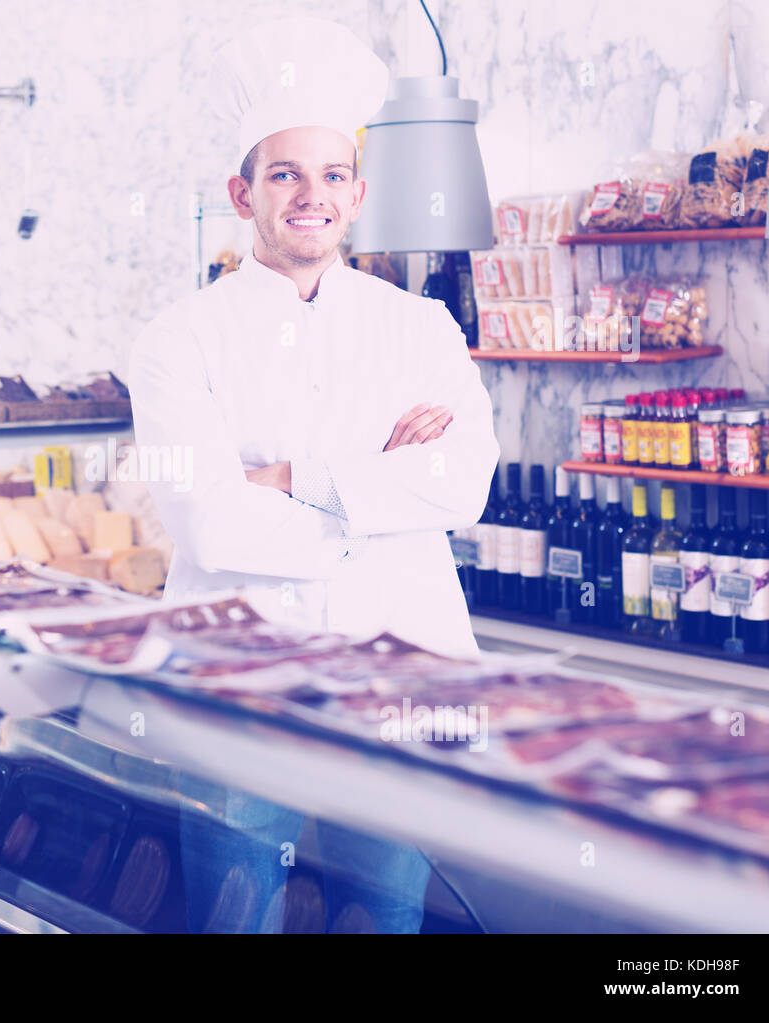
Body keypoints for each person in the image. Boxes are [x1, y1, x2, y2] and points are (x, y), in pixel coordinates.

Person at [127, 16, 500, 932]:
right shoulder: (175, 340)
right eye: (284, 173)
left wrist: (287, 475)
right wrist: (380, 496)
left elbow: (463, 486)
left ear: (359, 191)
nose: (311, 196)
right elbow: (213, 525)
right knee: (237, 915)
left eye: (332, 174)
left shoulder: (421, 327)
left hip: (402, 682)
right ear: (241, 191)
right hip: (241, 684)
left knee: (386, 918)